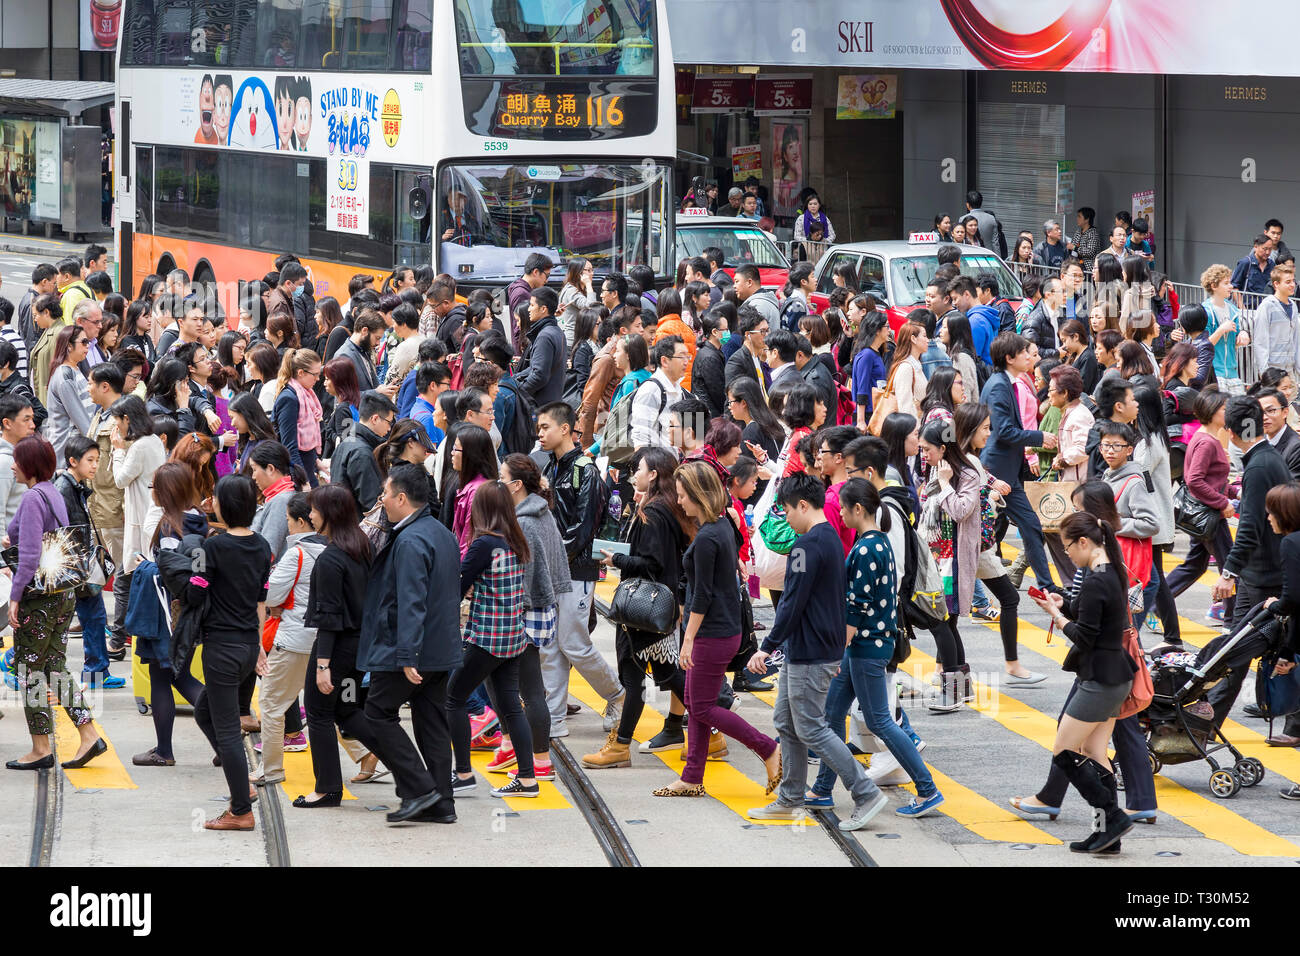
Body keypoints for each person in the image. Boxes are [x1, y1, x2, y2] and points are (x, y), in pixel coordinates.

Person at [745, 471, 887, 828]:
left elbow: (791, 603)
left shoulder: (804, 547)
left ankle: (865, 792)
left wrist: (767, 647)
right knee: (786, 722)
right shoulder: (830, 539)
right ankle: (790, 796)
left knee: (810, 728)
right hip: (812, 648)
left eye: (787, 511)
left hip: (810, 651)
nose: (786, 518)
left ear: (803, 506)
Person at [805, 478, 945, 816]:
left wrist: (838, 648)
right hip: (866, 645)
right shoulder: (876, 541)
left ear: (857, 509)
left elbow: (857, 606)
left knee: (881, 721)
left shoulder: (868, 547)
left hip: (866, 646)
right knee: (832, 715)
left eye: (843, 506)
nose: (838, 512)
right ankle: (823, 789)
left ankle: (927, 790)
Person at [649, 461, 780, 798]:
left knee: (703, 706)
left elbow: (702, 595)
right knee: (695, 700)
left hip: (713, 631)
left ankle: (767, 748)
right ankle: (692, 776)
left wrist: (688, 639)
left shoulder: (708, 536)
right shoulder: (722, 525)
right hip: (724, 628)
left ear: (698, 495)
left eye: (682, 496)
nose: (679, 502)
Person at [1027, 511, 1137, 853]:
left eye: (1068, 546)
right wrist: (1066, 604)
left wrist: (1057, 615)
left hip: (1099, 680)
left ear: (1084, 542)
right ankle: (1107, 834)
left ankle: (1113, 818)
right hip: (1116, 675)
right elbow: (1096, 616)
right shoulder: (1110, 570)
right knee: (1093, 751)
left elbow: (1084, 636)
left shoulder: (1093, 579)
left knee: (1064, 752)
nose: (1067, 553)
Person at [358, 463, 462, 824]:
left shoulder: (410, 540)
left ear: (401, 498)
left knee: (377, 713)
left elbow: (411, 601)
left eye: (385, 494)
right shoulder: (440, 533)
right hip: (439, 649)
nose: (381, 500)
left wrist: (406, 654)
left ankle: (420, 789)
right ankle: (442, 804)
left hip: (409, 650)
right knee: (432, 722)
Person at [4, 435, 107, 771]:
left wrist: (16, 596)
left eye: (18, 460)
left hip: (39, 598)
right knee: (54, 667)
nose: (13, 465)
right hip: (63, 596)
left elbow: (32, 554)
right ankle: (88, 732)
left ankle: (40, 746)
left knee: (29, 671)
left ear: (29, 465)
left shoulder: (34, 497)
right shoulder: (51, 491)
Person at [584, 447, 692, 767]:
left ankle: (620, 746)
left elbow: (652, 562)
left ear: (654, 475)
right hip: (654, 608)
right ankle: (709, 729)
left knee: (637, 677)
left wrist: (614, 558)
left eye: (639, 469)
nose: (634, 475)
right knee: (661, 674)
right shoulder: (656, 506)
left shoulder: (656, 512)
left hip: (644, 608)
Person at [183, 475, 272, 830]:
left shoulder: (213, 548)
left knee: (229, 730)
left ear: (224, 505)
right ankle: (242, 783)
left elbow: (195, 593)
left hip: (220, 649)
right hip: (248, 647)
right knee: (205, 712)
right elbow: (261, 602)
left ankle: (240, 810)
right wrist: (260, 647)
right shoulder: (263, 546)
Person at [445, 482, 540, 799]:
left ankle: (462, 773)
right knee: (512, 706)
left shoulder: (484, 544)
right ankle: (527, 780)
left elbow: (458, 585)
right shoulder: (515, 540)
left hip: (488, 636)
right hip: (514, 635)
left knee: (454, 697)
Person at [536, 402, 624, 738]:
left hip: (576, 571)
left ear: (565, 429)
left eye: (545, 427)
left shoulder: (585, 471)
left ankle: (617, 694)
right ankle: (554, 718)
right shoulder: (554, 466)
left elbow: (583, 528)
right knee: (549, 645)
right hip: (555, 568)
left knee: (573, 643)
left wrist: (554, 558)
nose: (540, 434)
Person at [490, 454, 568, 780]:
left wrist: (510, 607)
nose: (497, 484)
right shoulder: (538, 512)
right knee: (500, 681)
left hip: (523, 612)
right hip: (535, 610)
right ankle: (511, 744)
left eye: (502, 478)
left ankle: (540, 761)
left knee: (529, 688)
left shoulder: (525, 521)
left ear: (517, 485)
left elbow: (526, 573)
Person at [980, 332, 1058, 591]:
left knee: (1030, 525)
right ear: (1009, 357)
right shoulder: (1000, 385)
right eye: (1024, 352)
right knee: (980, 531)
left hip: (1007, 471)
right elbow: (1003, 431)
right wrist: (1040, 437)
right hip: (997, 471)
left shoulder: (1007, 381)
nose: (1029, 356)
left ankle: (1046, 585)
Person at [1212, 396, 1291, 628]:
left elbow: (1249, 525)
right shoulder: (1266, 457)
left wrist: (1228, 574)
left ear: (1232, 434)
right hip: (1256, 572)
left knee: (1264, 644)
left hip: (1265, 575)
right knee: (1237, 646)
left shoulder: (1258, 466)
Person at [53, 435, 124, 689]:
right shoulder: (65, 488)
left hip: (78, 566)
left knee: (93, 617)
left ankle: (96, 671)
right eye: (90, 460)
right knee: (81, 617)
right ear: (73, 461)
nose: (95, 465)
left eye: (97, 460)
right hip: (73, 568)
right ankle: (95, 671)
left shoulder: (75, 486)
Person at [330, 390, 396, 516]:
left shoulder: (347, 442)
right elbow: (371, 503)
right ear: (375, 419)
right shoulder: (362, 452)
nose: (389, 429)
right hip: (356, 526)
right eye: (389, 422)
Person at [44, 324, 95, 465]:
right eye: (84, 342)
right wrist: (95, 442)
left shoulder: (75, 369)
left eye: (88, 342)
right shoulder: (64, 375)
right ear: (69, 346)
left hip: (76, 448)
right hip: (66, 452)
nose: (88, 347)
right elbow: (79, 416)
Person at [629, 335, 687, 451]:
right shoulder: (650, 390)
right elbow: (641, 438)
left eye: (687, 357)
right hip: (657, 466)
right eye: (681, 357)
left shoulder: (681, 390)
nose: (686, 362)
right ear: (664, 361)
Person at [449, 424, 497, 557]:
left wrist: (460, 572)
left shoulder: (477, 491)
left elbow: (468, 541)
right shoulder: (471, 486)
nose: (452, 453)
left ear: (471, 454)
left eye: (455, 449)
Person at [1253, 262, 1300, 382]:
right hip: (1272, 370)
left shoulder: (1293, 306)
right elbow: (1260, 341)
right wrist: (1264, 372)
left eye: (1293, 281)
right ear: (1276, 284)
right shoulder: (1266, 306)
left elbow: (1296, 340)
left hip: (1289, 369)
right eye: (1288, 282)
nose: (1292, 285)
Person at [690, 309, 728, 419]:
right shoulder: (709, 357)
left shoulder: (711, 352)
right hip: (707, 416)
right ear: (715, 332)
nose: (728, 332)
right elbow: (717, 391)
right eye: (725, 330)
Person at [1231, 233, 1275, 302]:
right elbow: (1234, 287)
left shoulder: (1272, 265)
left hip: (1265, 308)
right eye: (1265, 249)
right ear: (1255, 247)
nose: (1267, 252)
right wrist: (1243, 308)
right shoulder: (1246, 262)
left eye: (1270, 249)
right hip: (1247, 308)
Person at [1068, 207, 1101, 271]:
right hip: (1075, 264)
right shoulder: (1078, 231)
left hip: (1088, 268)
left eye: (1079, 217)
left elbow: (1090, 252)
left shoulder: (1093, 233)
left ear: (1087, 219)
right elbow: (1072, 245)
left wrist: (1074, 248)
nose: (1077, 219)